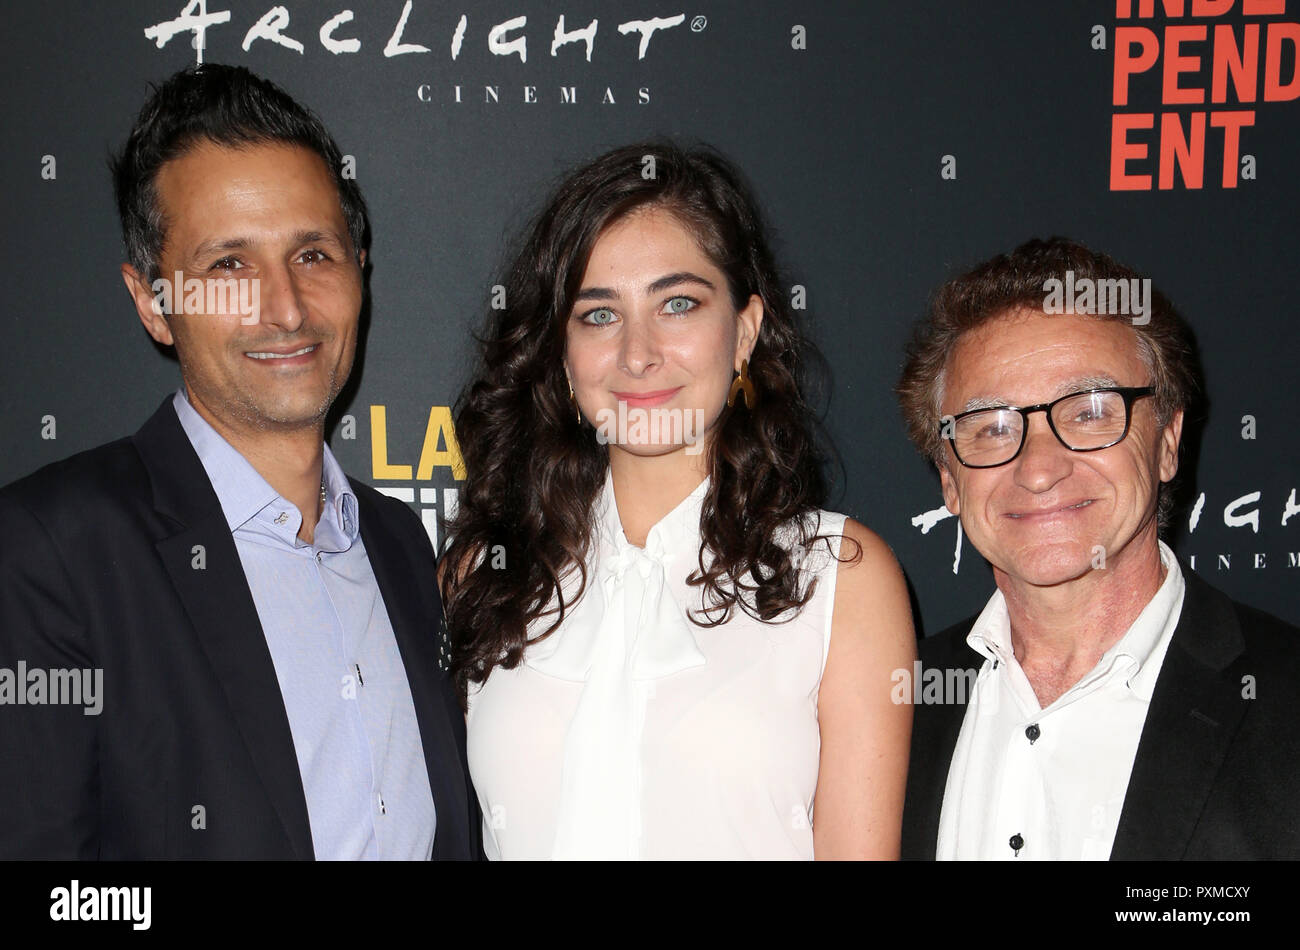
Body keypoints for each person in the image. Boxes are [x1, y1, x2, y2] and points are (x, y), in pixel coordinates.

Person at [0, 64, 477, 859]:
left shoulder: (399, 545)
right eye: (229, 266)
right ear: (155, 303)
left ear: (361, 269)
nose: (285, 307)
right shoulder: (50, 552)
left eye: (314, 254)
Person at [441, 142, 915, 860]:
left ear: (745, 333)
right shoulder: (482, 574)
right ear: (560, 357)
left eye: (678, 304)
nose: (638, 353)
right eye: (598, 315)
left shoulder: (840, 578)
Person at [895, 236, 1300, 860]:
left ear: (1167, 440)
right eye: (992, 427)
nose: (1038, 468)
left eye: (1089, 412)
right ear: (949, 479)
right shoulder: (887, 707)